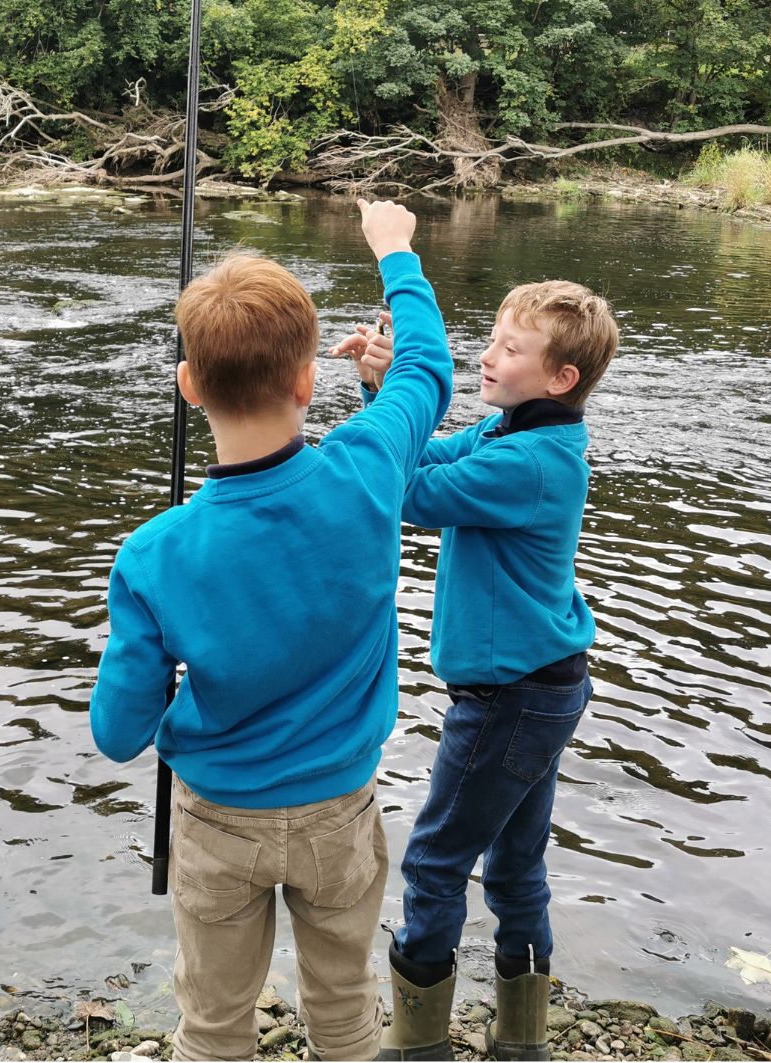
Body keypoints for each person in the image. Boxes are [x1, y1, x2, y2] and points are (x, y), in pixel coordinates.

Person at [89, 200, 453, 1062]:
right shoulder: (367, 471)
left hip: (217, 821)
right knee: (342, 1008)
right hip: (338, 811)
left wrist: (177, 672)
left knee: (213, 1023)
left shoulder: (153, 555)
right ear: (304, 383)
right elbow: (426, 372)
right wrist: (394, 251)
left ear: (188, 386)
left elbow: (117, 733)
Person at [333, 281, 618, 1061]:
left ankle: (417, 1047)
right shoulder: (511, 433)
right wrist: (383, 390)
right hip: (542, 686)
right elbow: (420, 453)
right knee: (515, 864)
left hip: (509, 699)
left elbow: (404, 490)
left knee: (433, 859)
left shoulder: (528, 461)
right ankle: (519, 1043)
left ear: (560, 378)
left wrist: (386, 403)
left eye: (509, 349)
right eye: (491, 339)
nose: (486, 356)